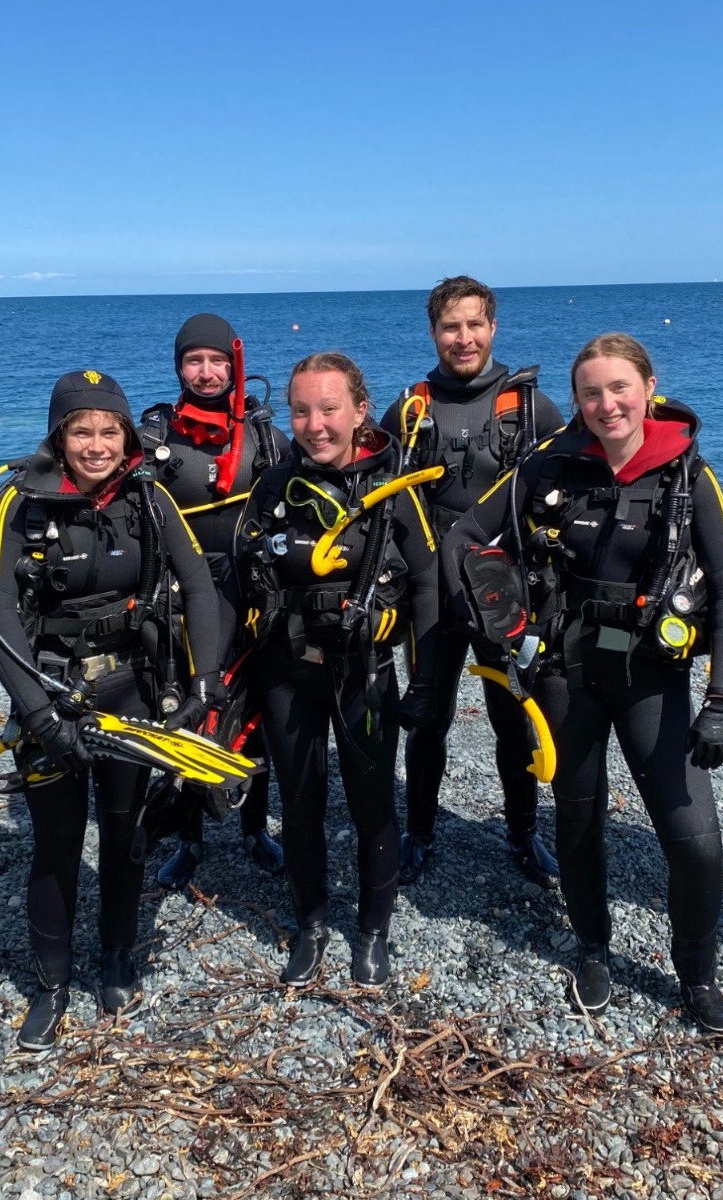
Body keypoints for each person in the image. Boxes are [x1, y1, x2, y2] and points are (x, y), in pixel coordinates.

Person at [443, 333, 723, 1033]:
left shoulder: (686, 474)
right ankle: (592, 949)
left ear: (648, 387)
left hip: (651, 677)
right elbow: (462, 535)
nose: (606, 404)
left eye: (619, 388)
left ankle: (697, 977)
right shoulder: (549, 465)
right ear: (576, 401)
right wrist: (499, 618)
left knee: (694, 838)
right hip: (563, 671)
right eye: (590, 392)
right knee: (578, 819)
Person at [0, 370, 220, 1050]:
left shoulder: (148, 500)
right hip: (50, 695)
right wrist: (42, 719)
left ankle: (116, 957)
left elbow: (198, 586)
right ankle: (50, 987)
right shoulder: (17, 509)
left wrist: (204, 681)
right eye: (81, 430)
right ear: (59, 436)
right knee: (55, 846)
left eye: (108, 430)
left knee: (123, 832)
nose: (96, 444)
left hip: (130, 692)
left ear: (126, 437)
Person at [237, 352, 439, 987]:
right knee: (299, 802)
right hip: (287, 669)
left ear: (359, 410)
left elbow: (430, 584)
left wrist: (428, 679)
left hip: (364, 670)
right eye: (301, 410)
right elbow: (237, 577)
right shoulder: (273, 487)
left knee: (372, 803)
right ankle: (312, 924)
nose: (315, 424)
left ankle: (373, 931)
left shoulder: (395, 489)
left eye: (329, 409)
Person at [380, 275, 565, 888]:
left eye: (474, 324)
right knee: (427, 716)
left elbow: (560, 506)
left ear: (493, 327)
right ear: (433, 332)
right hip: (430, 595)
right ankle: (420, 831)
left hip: (501, 595)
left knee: (513, 716)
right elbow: (381, 503)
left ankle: (522, 834)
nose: (463, 338)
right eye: (450, 327)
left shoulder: (531, 407)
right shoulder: (410, 410)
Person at [139, 314, 290, 888]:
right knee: (185, 709)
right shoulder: (157, 437)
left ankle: (254, 828)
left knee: (255, 707)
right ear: (179, 366)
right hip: (180, 594)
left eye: (216, 361)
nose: (206, 373)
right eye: (193, 361)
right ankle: (191, 839)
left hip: (250, 589)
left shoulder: (263, 434)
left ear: (235, 364)